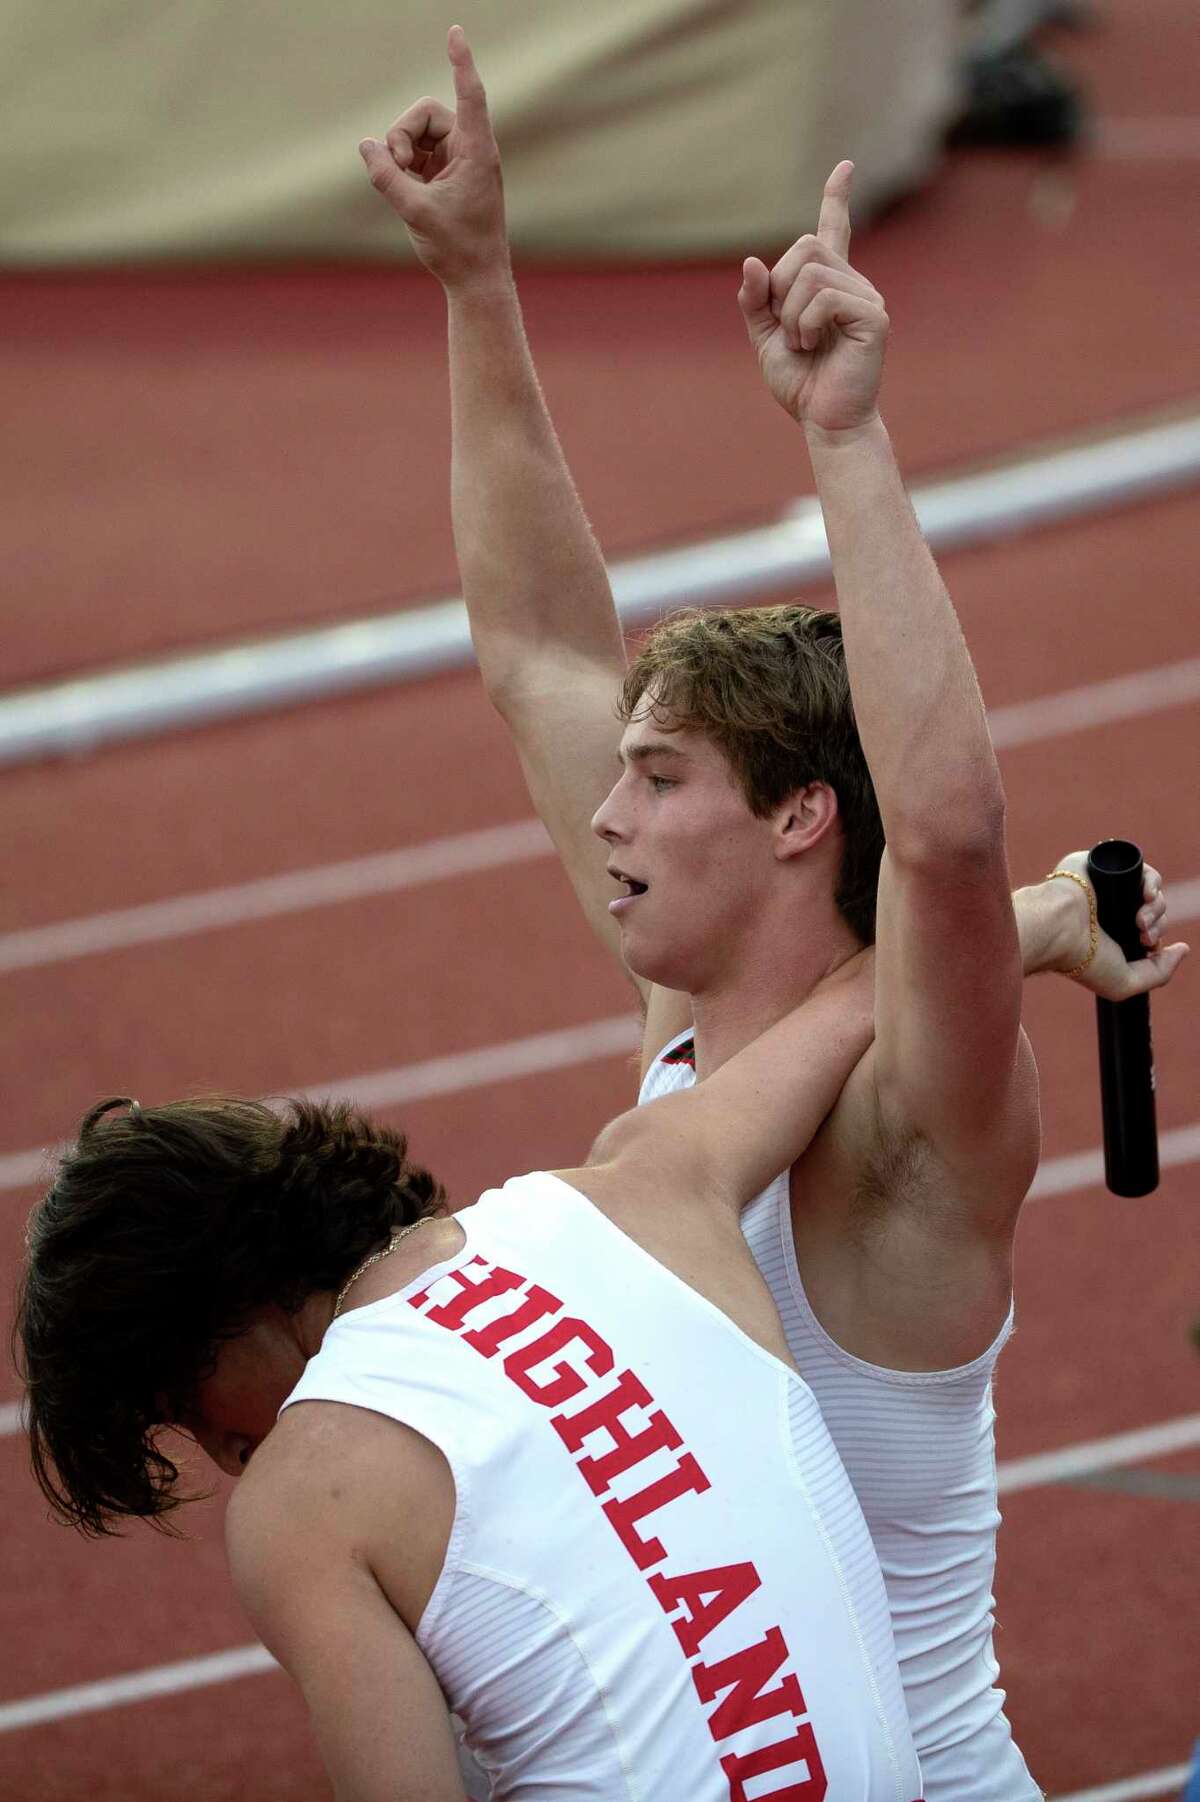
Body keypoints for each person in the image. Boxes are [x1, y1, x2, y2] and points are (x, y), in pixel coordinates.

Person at [357, 29, 1188, 1798]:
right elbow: (539, 651)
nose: (604, 810)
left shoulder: (912, 1118)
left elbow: (953, 839)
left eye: (660, 778)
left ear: (801, 817)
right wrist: (476, 279)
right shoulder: (690, 1031)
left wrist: (849, 436)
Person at [21, 962, 930, 1800]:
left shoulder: (301, 1494)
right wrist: (1056, 909)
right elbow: (876, 983)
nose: (225, 1453)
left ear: (223, 1294)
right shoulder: (638, 1185)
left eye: (184, 1402)